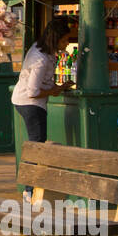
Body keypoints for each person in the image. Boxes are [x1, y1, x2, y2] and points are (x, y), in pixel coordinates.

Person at [10, 17, 73, 145]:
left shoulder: (41, 49)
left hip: (26, 101)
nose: (67, 43)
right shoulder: (40, 60)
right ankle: (30, 165)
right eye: (64, 40)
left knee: (37, 142)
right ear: (55, 40)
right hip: (30, 103)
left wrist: (57, 88)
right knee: (37, 143)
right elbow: (33, 92)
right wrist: (52, 91)